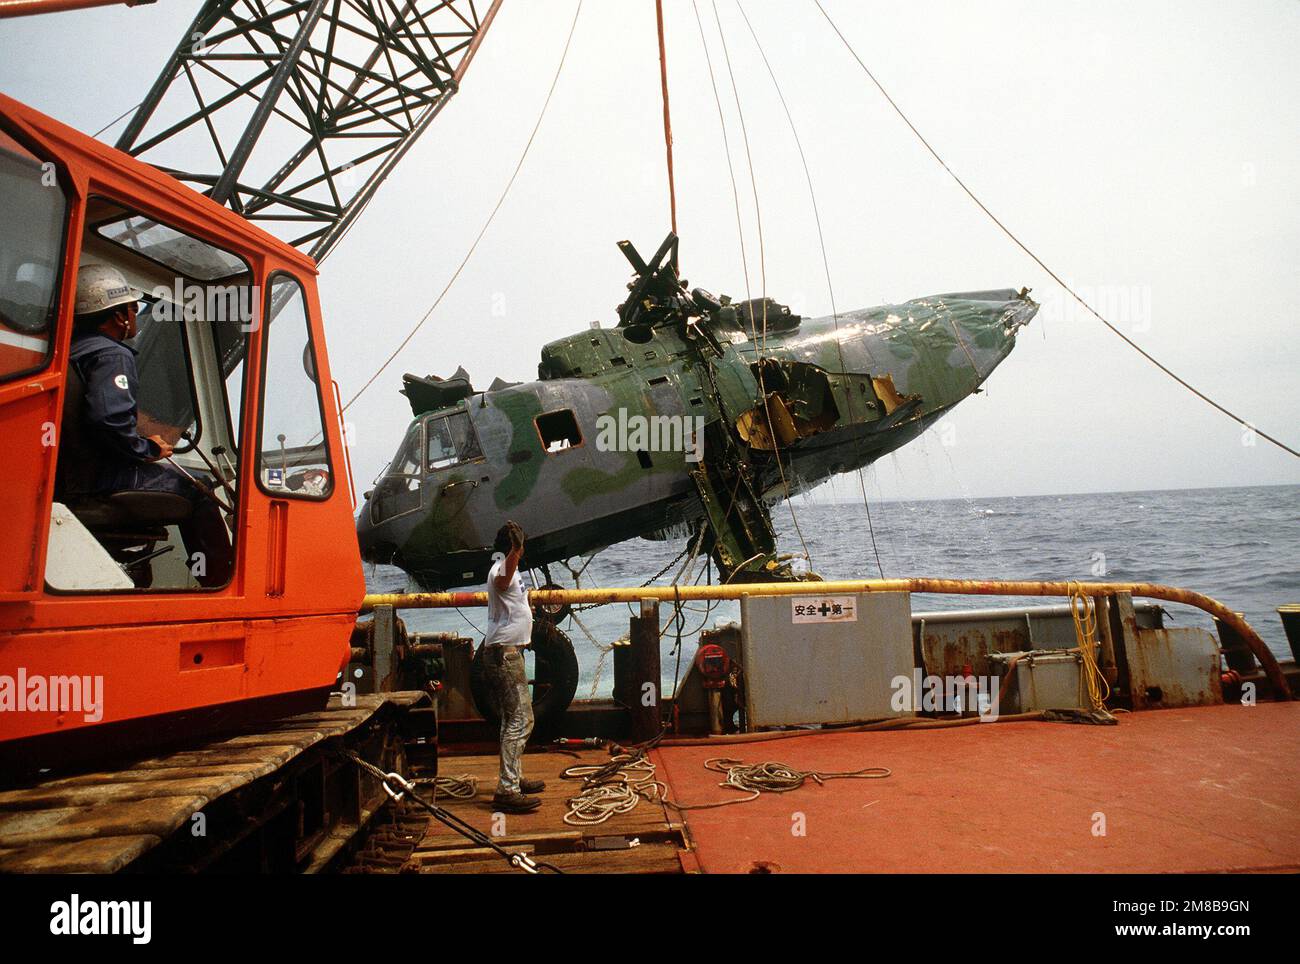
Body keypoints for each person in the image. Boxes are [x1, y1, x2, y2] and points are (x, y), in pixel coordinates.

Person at [66, 264, 233, 588]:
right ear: (118, 316)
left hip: (75, 478)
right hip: (101, 480)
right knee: (199, 490)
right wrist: (149, 448)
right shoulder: (113, 354)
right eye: (132, 308)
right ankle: (219, 583)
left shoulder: (74, 351)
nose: (135, 315)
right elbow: (108, 418)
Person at [482, 521, 545, 813]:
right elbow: (502, 582)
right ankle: (507, 790)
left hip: (509, 651)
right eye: (519, 546)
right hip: (503, 656)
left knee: (513, 720)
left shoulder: (510, 569)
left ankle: (514, 778)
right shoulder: (500, 569)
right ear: (512, 547)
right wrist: (516, 549)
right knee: (521, 720)